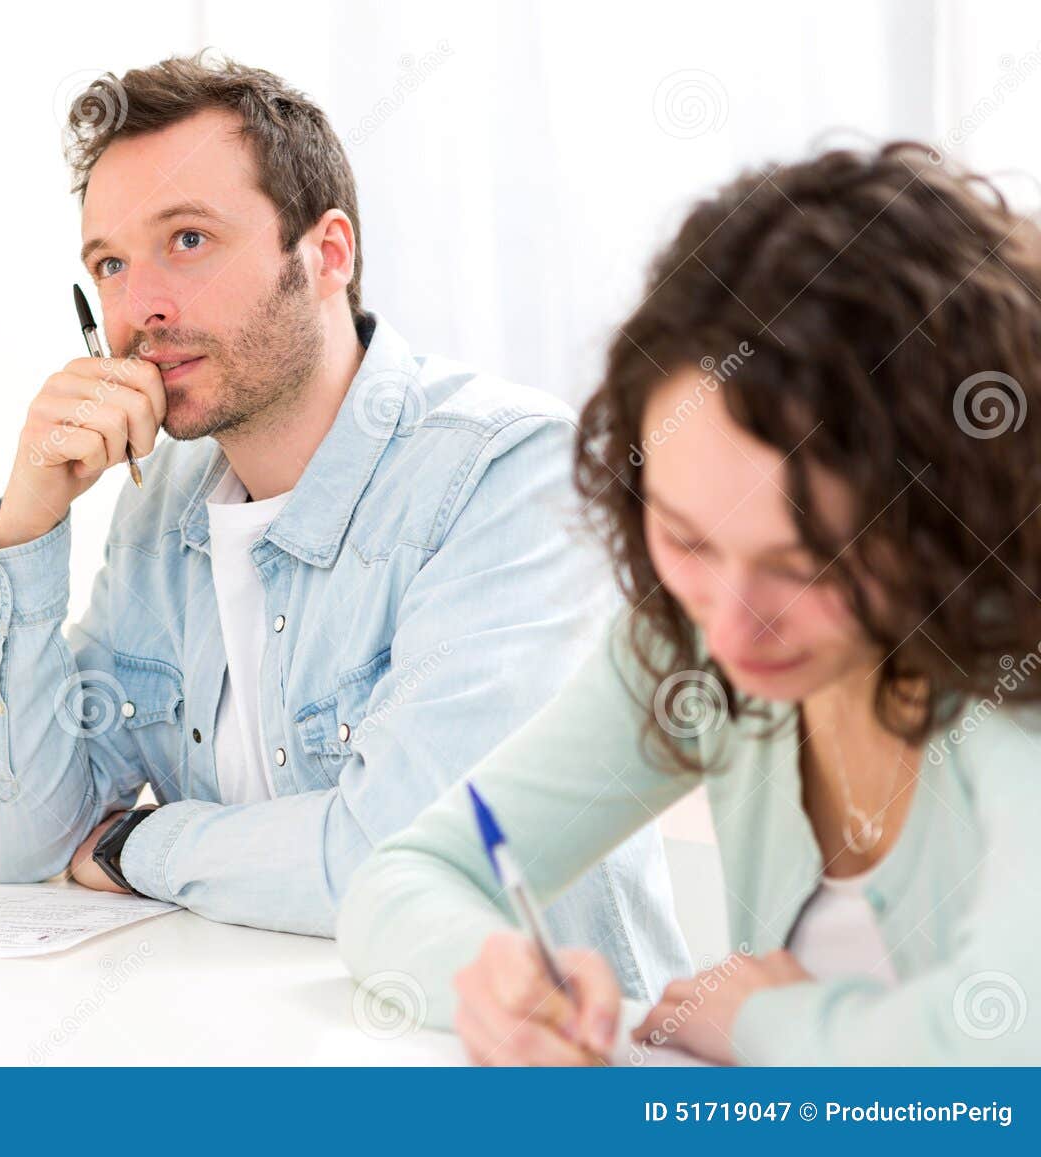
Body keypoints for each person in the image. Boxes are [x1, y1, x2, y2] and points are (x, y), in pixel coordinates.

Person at [0, 51, 690, 992]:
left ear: (327, 253)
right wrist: (28, 521)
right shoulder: (167, 502)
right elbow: (26, 838)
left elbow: (398, 861)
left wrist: (142, 842)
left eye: (188, 239)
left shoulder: (507, 471)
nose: (140, 308)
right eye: (109, 264)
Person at [338, 142, 1041, 1065]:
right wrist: (502, 974)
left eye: (810, 564)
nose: (734, 622)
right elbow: (408, 874)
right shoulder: (687, 647)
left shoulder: (1011, 673)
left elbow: (1006, 1046)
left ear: (948, 520)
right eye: (688, 538)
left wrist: (759, 1021)